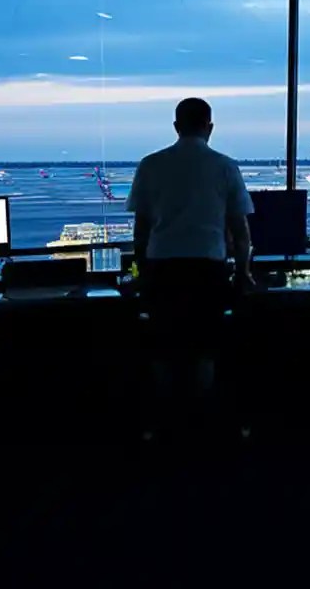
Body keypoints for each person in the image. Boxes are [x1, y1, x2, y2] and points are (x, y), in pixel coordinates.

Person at [125, 98, 254, 435]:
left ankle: (165, 427)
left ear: (176, 127)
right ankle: (202, 427)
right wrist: (243, 274)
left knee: (163, 350)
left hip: (162, 271)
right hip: (207, 271)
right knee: (205, 351)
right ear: (210, 127)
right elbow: (241, 233)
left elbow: (140, 234)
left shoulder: (150, 165)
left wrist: (140, 275)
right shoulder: (225, 167)